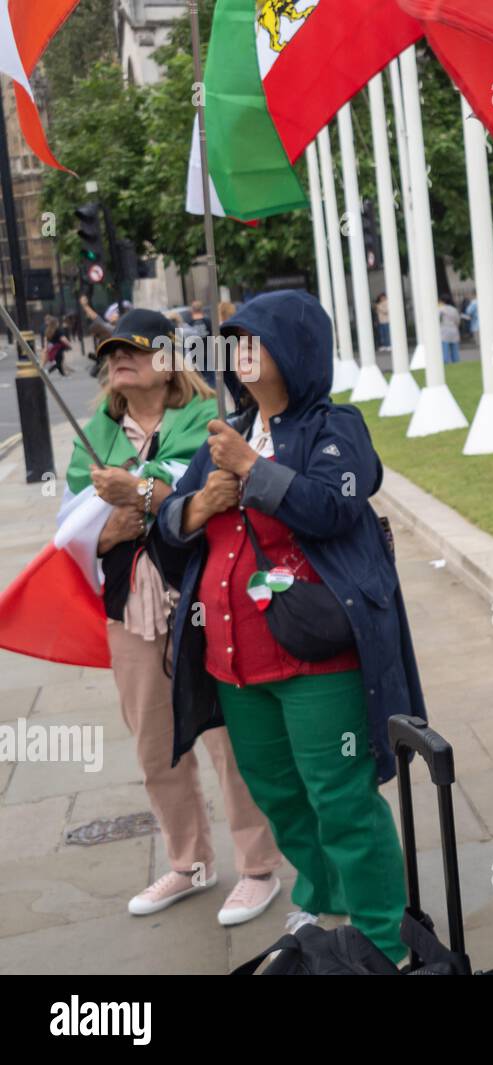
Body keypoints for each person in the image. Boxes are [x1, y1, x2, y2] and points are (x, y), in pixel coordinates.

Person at [157, 290, 427, 964]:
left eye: (256, 338)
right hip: (234, 660)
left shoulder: (336, 427)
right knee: (276, 788)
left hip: (315, 657)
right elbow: (170, 529)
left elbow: (332, 507)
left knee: (341, 796)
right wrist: (199, 504)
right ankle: (323, 891)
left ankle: (381, 937)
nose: (241, 351)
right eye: (235, 340)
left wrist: (251, 469)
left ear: (297, 348)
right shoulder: (226, 430)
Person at [63, 308, 283, 925]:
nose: (117, 360)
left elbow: (208, 497)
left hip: (204, 601)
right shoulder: (92, 436)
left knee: (228, 737)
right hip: (126, 609)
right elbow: (73, 532)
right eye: (110, 354)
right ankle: (190, 862)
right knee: (155, 744)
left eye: (131, 349)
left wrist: (141, 494)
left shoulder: (208, 422)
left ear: (167, 361)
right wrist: (112, 526)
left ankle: (259, 867)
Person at [438, 295, 462, 364]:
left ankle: (446, 363)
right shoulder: (453, 309)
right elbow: (458, 320)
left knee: (445, 350)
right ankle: (456, 363)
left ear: (441, 301)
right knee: (454, 350)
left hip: (444, 330)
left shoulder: (440, 309)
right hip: (454, 330)